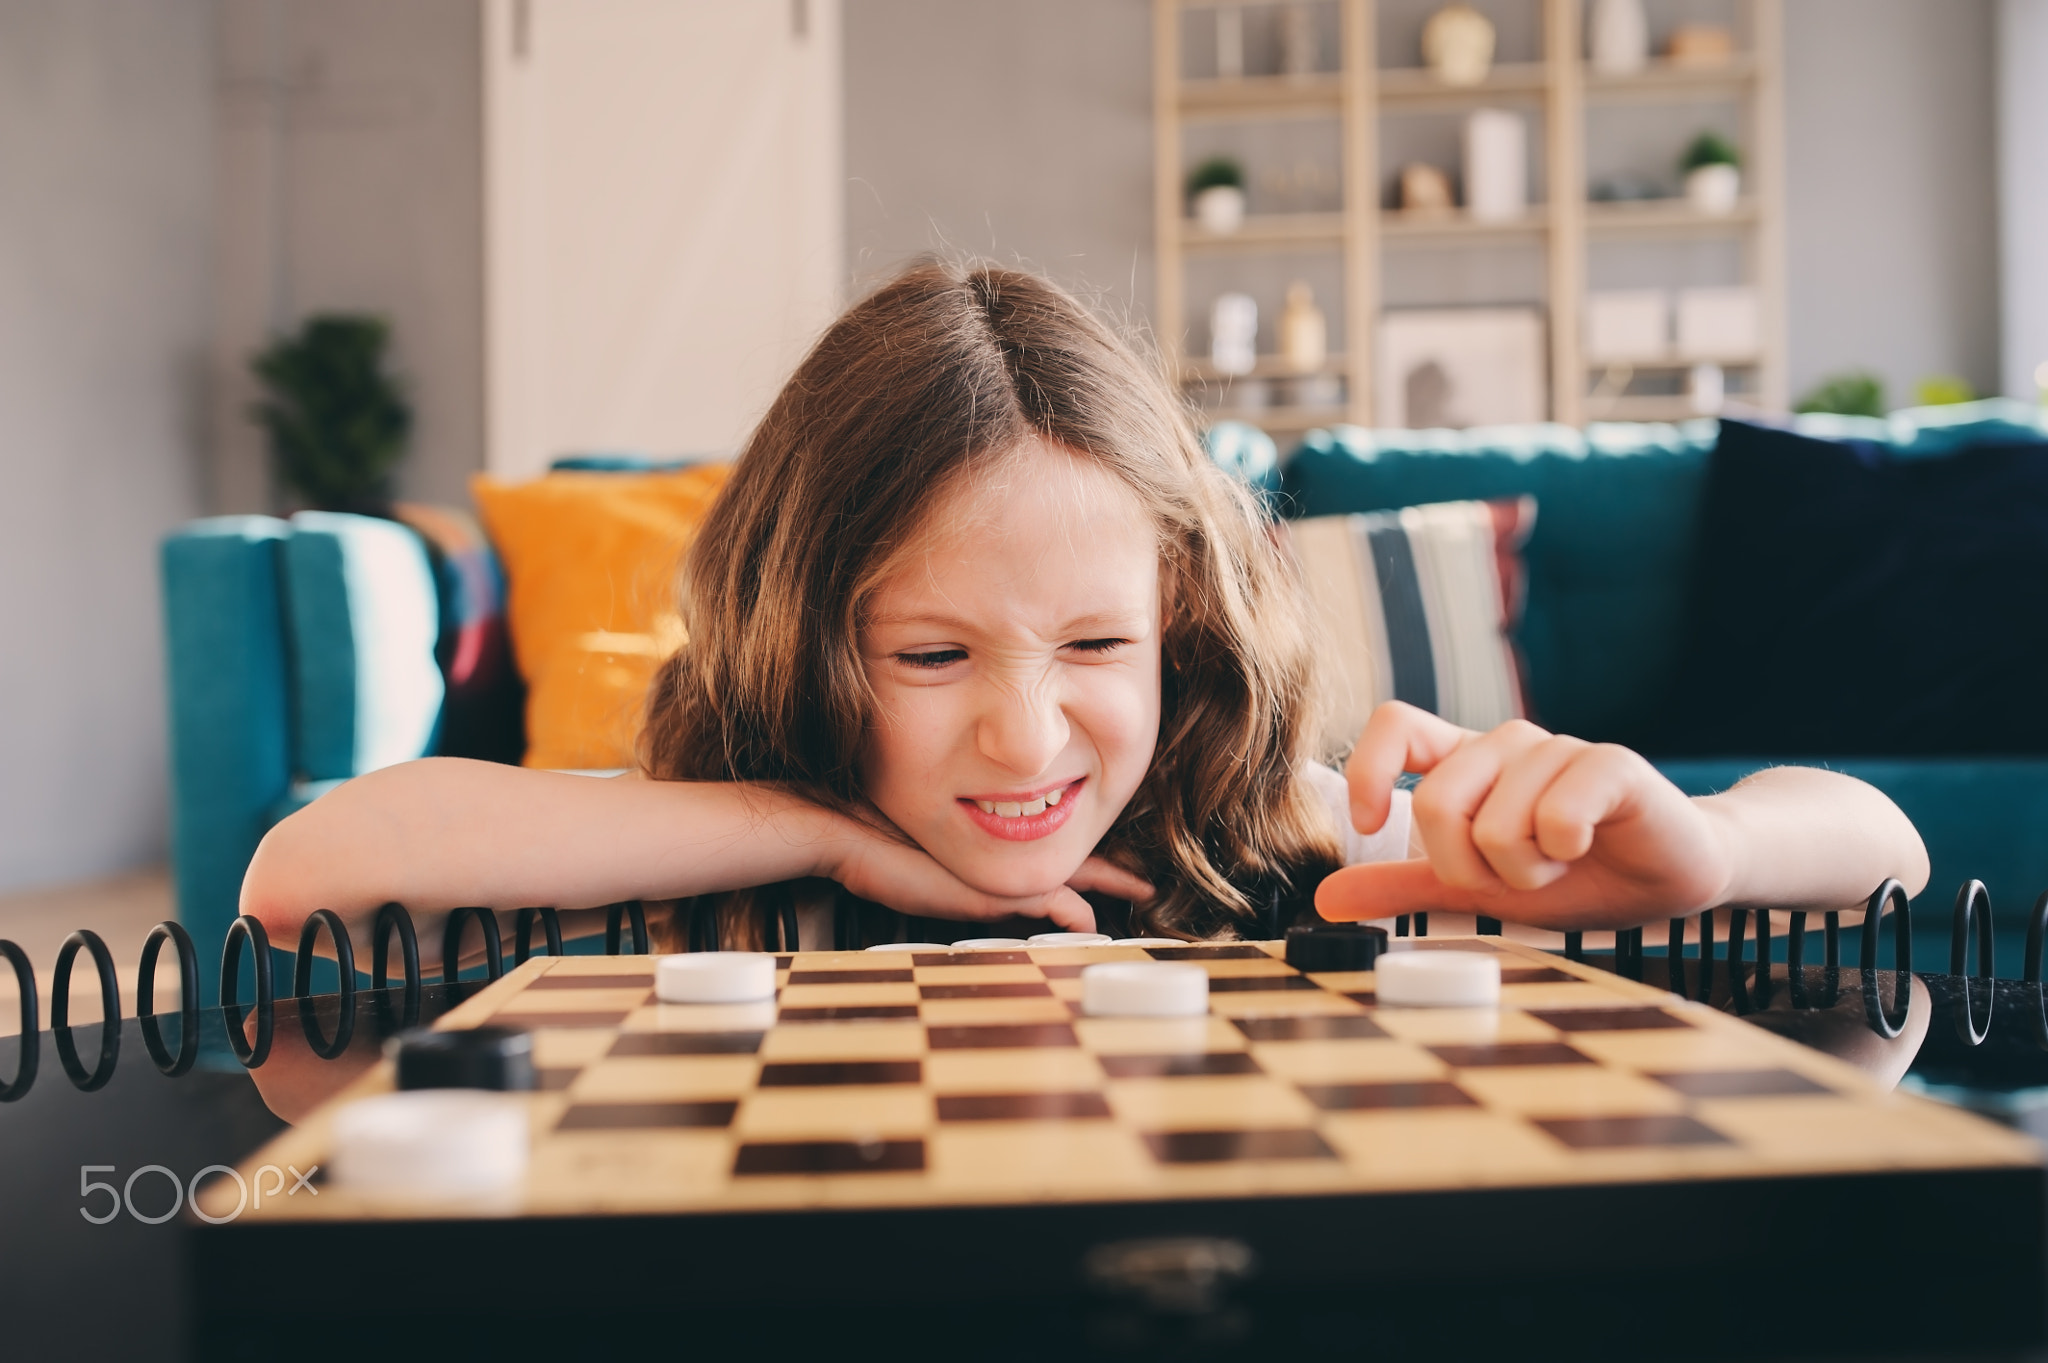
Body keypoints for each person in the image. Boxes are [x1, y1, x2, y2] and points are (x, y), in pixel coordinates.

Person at [241, 261, 1927, 959]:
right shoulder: (741, 865)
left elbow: (1883, 851)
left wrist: (1700, 852)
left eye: (1096, 647)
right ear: (801, 633)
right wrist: (812, 835)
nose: (1026, 735)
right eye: (928, 654)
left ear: (1183, 624)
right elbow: (299, 878)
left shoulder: (1303, 847)